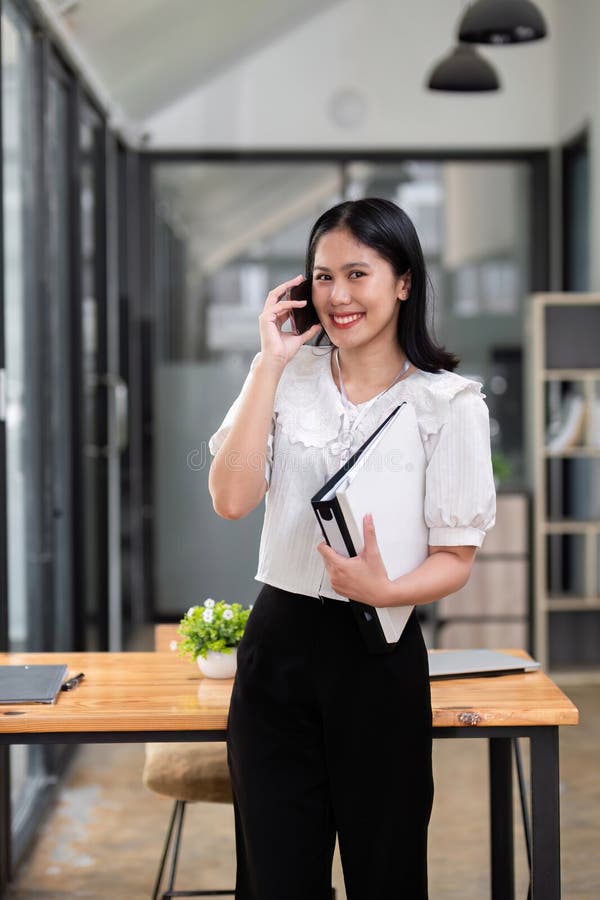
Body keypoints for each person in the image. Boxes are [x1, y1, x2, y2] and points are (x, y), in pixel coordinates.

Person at [208, 197, 496, 900]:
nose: (338, 296)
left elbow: (456, 557)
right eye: (323, 276)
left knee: (387, 875)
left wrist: (386, 590)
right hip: (277, 648)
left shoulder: (448, 405)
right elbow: (231, 498)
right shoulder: (285, 380)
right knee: (276, 879)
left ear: (403, 282)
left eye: (358, 274)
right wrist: (268, 365)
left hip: (378, 653)